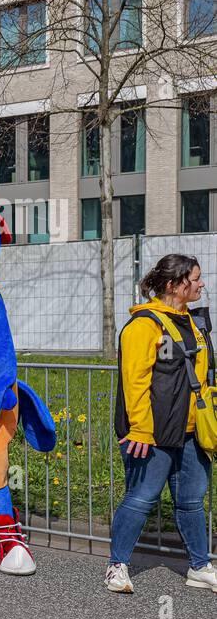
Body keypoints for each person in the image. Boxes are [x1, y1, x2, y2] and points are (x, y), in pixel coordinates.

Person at [107, 254, 216, 595]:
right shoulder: (143, 326)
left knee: (192, 501)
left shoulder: (193, 322)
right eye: (195, 279)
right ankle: (117, 566)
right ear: (173, 285)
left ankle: (199, 567)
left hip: (191, 432)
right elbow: (134, 382)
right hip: (152, 433)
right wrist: (140, 429)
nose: (201, 284)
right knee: (141, 499)